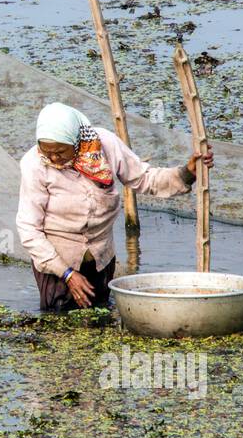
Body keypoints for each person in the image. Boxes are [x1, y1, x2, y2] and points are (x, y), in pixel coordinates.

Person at [16, 103, 214, 312]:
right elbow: (29, 229)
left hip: (101, 257)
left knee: (100, 317)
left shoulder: (105, 146)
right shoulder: (34, 164)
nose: (54, 158)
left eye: (60, 151)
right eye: (46, 151)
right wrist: (67, 274)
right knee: (58, 323)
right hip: (57, 263)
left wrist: (187, 173)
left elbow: (144, 179)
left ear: (75, 141)